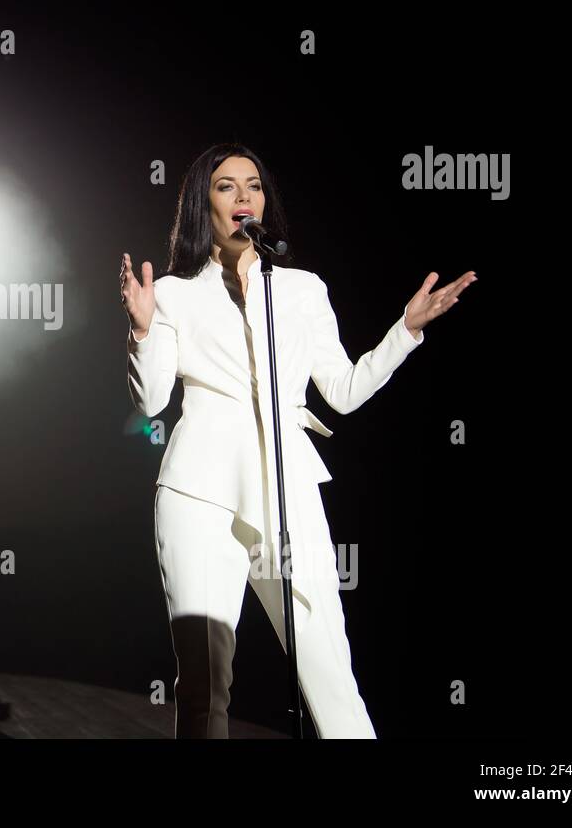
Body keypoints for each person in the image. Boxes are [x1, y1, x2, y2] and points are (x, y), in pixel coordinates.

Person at [121, 143, 476, 738]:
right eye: (226, 186)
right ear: (201, 204)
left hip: (289, 485)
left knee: (327, 662)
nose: (243, 197)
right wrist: (140, 328)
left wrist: (404, 332)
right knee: (206, 682)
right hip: (198, 492)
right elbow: (151, 401)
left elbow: (341, 388)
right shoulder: (175, 295)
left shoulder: (303, 289)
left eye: (253, 186)